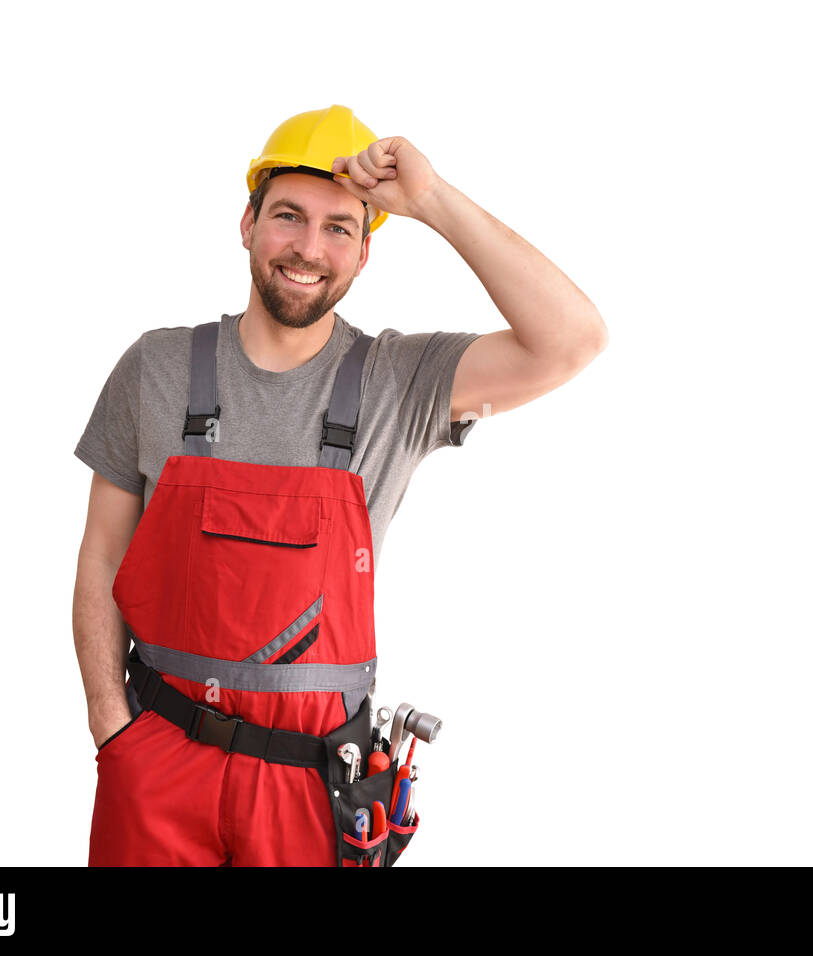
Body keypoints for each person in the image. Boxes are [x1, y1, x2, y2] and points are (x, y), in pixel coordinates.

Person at [71, 105, 607, 866]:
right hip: (156, 763)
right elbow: (99, 558)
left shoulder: (403, 383)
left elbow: (573, 339)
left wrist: (431, 202)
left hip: (311, 785)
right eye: (288, 216)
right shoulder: (153, 369)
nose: (309, 248)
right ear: (249, 223)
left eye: (339, 229)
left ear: (363, 256)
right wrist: (112, 728)